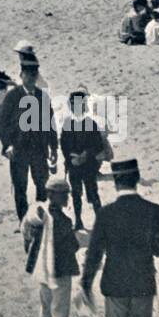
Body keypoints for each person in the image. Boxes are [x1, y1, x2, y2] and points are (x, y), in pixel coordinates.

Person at [80, 157, 159, 317]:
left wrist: (86, 281)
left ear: (116, 181)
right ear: (137, 178)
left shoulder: (105, 213)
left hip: (115, 283)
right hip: (143, 282)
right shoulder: (154, 210)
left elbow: (94, 253)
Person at [0, 47, 56, 222]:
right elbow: (2, 124)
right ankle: (24, 221)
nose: (31, 78)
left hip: (39, 149)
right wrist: (7, 145)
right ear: (21, 75)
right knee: (20, 187)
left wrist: (53, 148)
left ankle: (39, 218)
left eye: (34, 75)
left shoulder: (42, 98)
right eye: (28, 75)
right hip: (19, 150)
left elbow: (50, 124)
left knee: (42, 185)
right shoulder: (12, 96)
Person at [22, 177, 80, 317]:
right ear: (51, 194)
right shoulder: (64, 221)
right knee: (60, 310)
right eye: (63, 194)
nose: (67, 197)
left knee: (45, 305)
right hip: (61, 270)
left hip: (42, 267)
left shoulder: (36, 214)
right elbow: (73, 246)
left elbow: (26, 233)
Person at [59, 88, 107, 230]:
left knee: (93, 193)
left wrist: (86, 154)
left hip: (88, 165)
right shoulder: (67, 125)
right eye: (74, 105)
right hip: (74, 166)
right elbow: (64, 146)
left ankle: (100, 221)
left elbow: (98, 145)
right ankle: (78, 221)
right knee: (75, 194)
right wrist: (71, 158)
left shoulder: (91, 124)